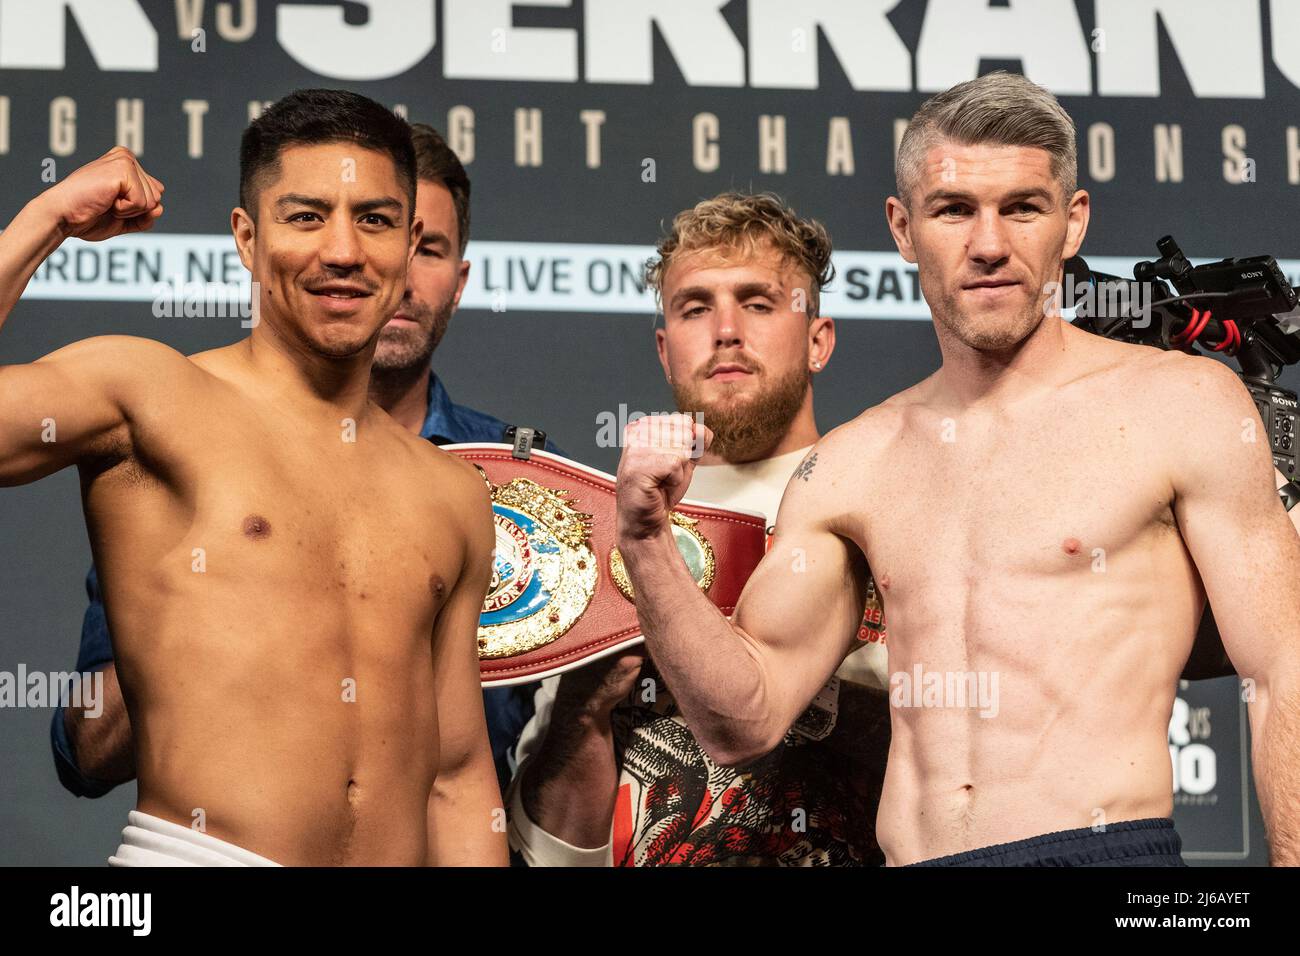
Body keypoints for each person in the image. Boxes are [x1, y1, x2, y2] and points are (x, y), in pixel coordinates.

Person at [612, 72, 1300, 866]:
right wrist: (646, 540)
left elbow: (1284, 670)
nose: (989, 244)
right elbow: (743, 719)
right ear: (903, 229)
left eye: (1022, 207)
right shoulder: (854, 463)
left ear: (1072, 222)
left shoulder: (1182, 405)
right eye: (953, 210)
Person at [0, 89, 504, 865]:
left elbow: (457, 777)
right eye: (305, 216)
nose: (343, 250)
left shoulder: (453, 493)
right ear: (246, 237)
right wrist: (45, 222)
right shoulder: (149, 393)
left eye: (373, 219)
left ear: (409, 244)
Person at [508, 193, 891, 866]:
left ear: (819, 340)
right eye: (695, 307)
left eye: (759, 302)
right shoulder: (598, 534)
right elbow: (557, 851)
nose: (725, 330)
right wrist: (583, 707)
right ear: (665, 349)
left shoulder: (892, 514)